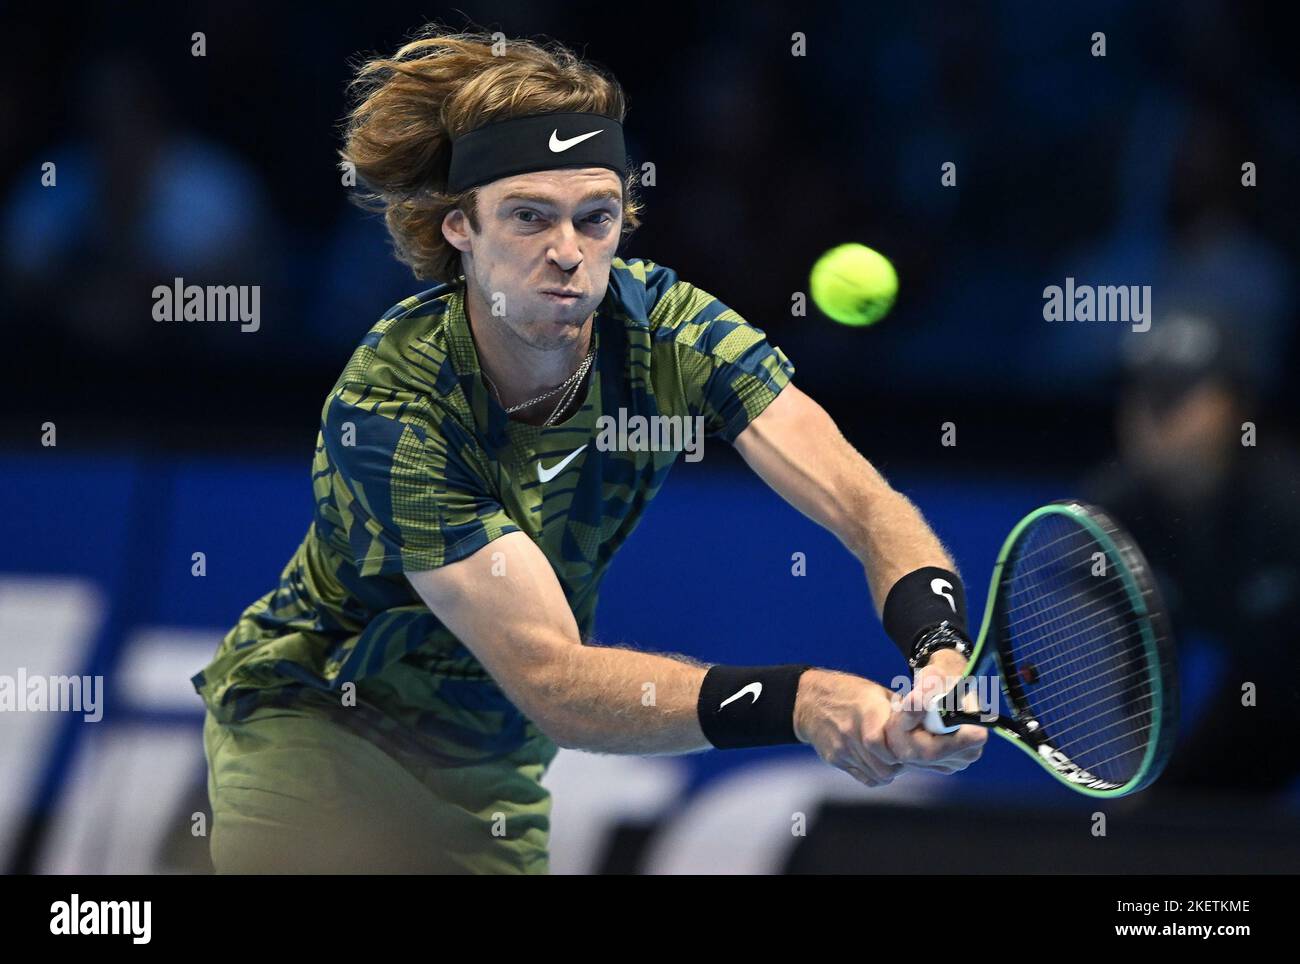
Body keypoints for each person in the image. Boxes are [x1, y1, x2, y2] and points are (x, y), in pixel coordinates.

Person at [191, 26, 985, 874]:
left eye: (594, 217)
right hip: (316, 734)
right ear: (461, 227)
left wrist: (936, 649)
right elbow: (555, 681)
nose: (568, 252)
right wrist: (803, 701)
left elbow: (865, 505)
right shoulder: (392, 407)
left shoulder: (671, 331)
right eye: (530, 217)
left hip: (490, 771)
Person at [1084, 311, 1300, 798]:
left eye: (1178, 396)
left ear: (1240, 408)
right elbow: (1136, 680)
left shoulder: (1288, 505)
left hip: (1282, 676)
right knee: (1174, 812)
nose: (1153, 416)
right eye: (1143, 394)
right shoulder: (1109, 514)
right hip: (1262, 693)